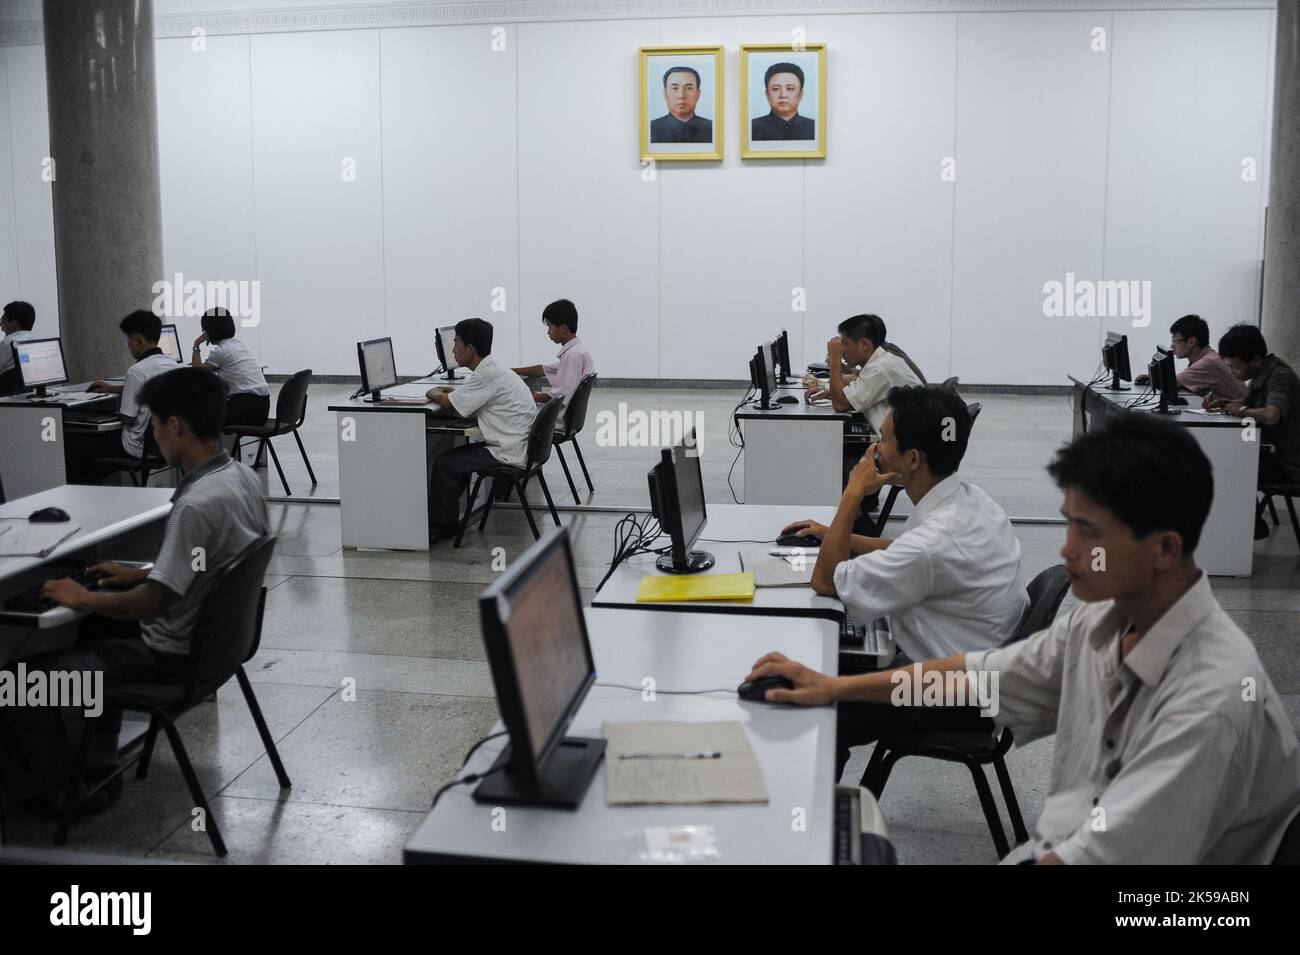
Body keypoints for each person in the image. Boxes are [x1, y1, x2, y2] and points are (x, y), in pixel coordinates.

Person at [750, 413, 1300, 864]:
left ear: (1164, 548)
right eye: (1067, 524)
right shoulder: (1102, 621)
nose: (1065, 551)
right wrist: (833, 687)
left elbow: (1100, 860)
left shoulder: (1211, 699)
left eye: (1089, 533)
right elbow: (981, 678)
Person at [0, 367, 270, 813]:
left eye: (155, 423)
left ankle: (53, 800)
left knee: (21, 682)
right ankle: (95, 767)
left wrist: (80, 596)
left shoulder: (195, 504)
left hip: (171, 658)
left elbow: (154, 603)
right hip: (218, 648)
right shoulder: (239, 478)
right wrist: (143, 571)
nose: (154, 433)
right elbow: (206, 569)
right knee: (92, 634)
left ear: (175, 426)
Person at [783, 384, 1027, 774]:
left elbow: (825, 581)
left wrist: (853, 493)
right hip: (979, 672)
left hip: (948, 698)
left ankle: (811, 820)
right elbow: (903, 550)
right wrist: (832, 532)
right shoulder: (969, 499)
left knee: (818, 708)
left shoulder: (933, 544)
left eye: (884, 439)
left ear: (912, 459)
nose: (876, 449)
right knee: (833, 659)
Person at [425, 318, 537, 541]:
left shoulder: (486, 375)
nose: (452, 349)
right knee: (454, 458)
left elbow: (448, 403)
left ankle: (443, 526)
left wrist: (434, 393)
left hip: (507, 452)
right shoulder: (492, 368)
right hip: (520, 445)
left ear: (470, 349)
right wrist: (453, 393)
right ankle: (449, 517)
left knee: (445, 464)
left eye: (455, 343)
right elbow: (473, 396)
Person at [1207, 323, 1300, 535]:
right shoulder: (1260, 374)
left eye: (1235, 367)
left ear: (1256, 360)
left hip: (1289, 466)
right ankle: (1241, 524)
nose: (1231, 372)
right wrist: (1225, 402)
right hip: (1273, 457)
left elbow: (1271, 414)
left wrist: (1242, 409)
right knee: (1221, 459)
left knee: (1224, 465)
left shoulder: (1280, 376)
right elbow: (1245, 403)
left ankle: (1244, 527)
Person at [65, 310, 177, 481]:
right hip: (161, 445)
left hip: (136, 446)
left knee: (69, 442)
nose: (127, 345)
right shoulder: (172, 365)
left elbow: (128, 419)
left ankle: (84, 494)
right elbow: (149, 389)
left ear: (137, 340)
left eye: (127, 340)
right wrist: (113, 388)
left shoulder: (137, 371)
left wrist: (106, 417)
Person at [809, 314, 921, 432]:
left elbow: (840, 405)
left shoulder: (881, 368)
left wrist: (835, 359)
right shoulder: (879, 363)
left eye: (845, 344)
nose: (842, 351)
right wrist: (830, 392)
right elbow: (851, 396)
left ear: (864, 345)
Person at [512, 299, 595, 421]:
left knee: (511, 407)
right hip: (567, 417)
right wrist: (511, 371)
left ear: (563, 329)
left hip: (555, 420)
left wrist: (528, 396)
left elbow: (557, 397)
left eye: (550, 326)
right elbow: (542, 369)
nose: (548, 332)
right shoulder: (578, 351)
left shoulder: (572, 356)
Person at [191, 306, 270, 426]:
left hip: (246, 410)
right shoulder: (237, 345)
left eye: (204, 330)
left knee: (199, 414)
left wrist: (196, 345)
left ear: (210, 330)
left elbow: (197, 373)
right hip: (261, 409)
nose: (204, 333)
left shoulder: (221, 351)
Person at [1136, 314, 1244, 399]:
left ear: (1191, 342)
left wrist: (1152, 376)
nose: (1172, 346)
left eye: (1175, 340)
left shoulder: (1209, 363)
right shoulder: (1204, 358)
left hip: (1242, 422)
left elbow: (1172, 383)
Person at [751, 62, 815, 141]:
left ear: (800, 94)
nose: (783, 95)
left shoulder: (815, 128)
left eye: (790, 88)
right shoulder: (751, 128)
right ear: (767, 94)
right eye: (776, 89)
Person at [649, 66, 712, 144]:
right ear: (665, 94)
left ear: (698, 94)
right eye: (675, 88)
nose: (681, 95)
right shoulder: (649, 129)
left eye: (689, 88)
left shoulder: (712, 128)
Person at [0, 300, 36, 381]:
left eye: (4, 318)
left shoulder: (8, 342)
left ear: (14, 324)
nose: (0, 322)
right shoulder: (34, 340)